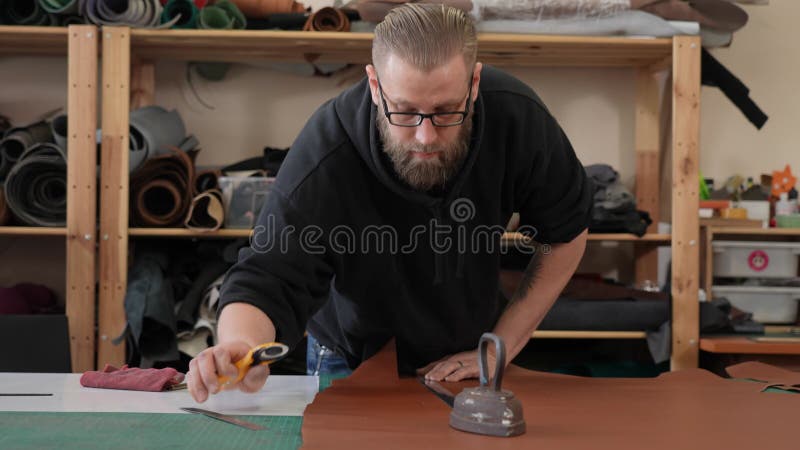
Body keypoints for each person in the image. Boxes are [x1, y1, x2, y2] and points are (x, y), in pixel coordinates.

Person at [188, 3, 592, 403]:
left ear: (474, 83)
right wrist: (240, 347)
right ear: (375, 86)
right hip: (348, 356)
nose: (426, 137)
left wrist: (498, 346)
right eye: (405, 111)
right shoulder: (328, 150)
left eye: (446, 111)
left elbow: (565, 232)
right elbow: (269, 275)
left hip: (469, 351)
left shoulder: (517, 119)